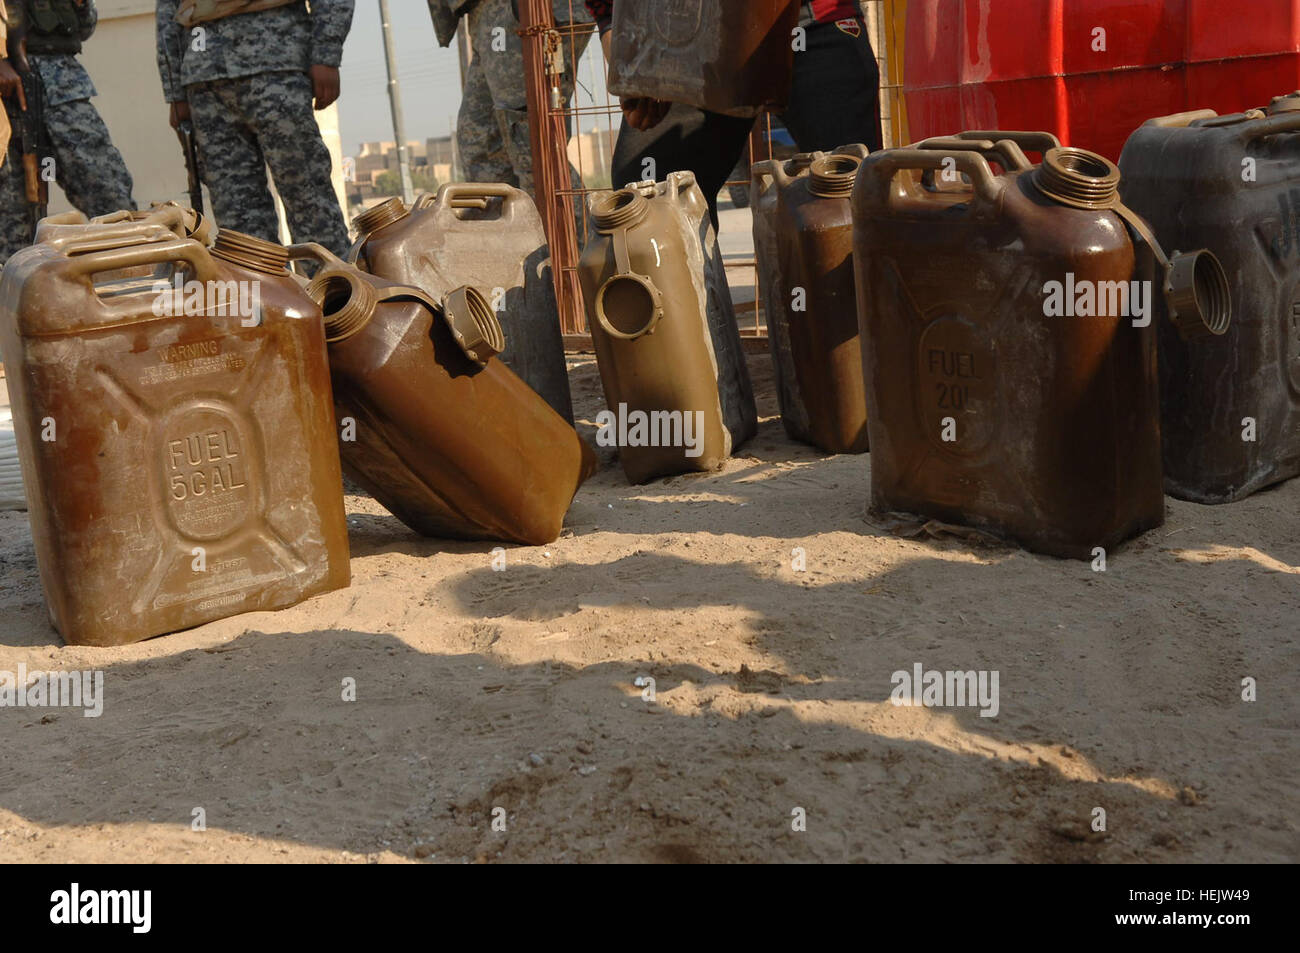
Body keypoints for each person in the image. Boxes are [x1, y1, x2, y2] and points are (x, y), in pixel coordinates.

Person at [587, 0, 883, 225]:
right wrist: (621, 37)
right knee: (648, 202)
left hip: (810, 20)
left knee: (852, 192)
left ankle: (858, 304)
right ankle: (685, 305)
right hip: (688, 35)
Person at [156, 0, 354, 256]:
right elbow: (167, 11)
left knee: (308, 199)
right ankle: (266, 294)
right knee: (239, 220)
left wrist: (326, 55)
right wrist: (175, 94)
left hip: (276, 67)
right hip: (206, 83)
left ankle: (336, 290)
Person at [434, 0, 591, 232]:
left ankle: (575, 259)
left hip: (528, 11)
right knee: (480, 145)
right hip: (485, 13)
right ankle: (511, 253)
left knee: (533, 149)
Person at [0, 0, 135, 263]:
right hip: (5, 100)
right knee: (13, 226)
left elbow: (84, 27)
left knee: (110, 196)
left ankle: (137, 279)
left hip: (63, 87)